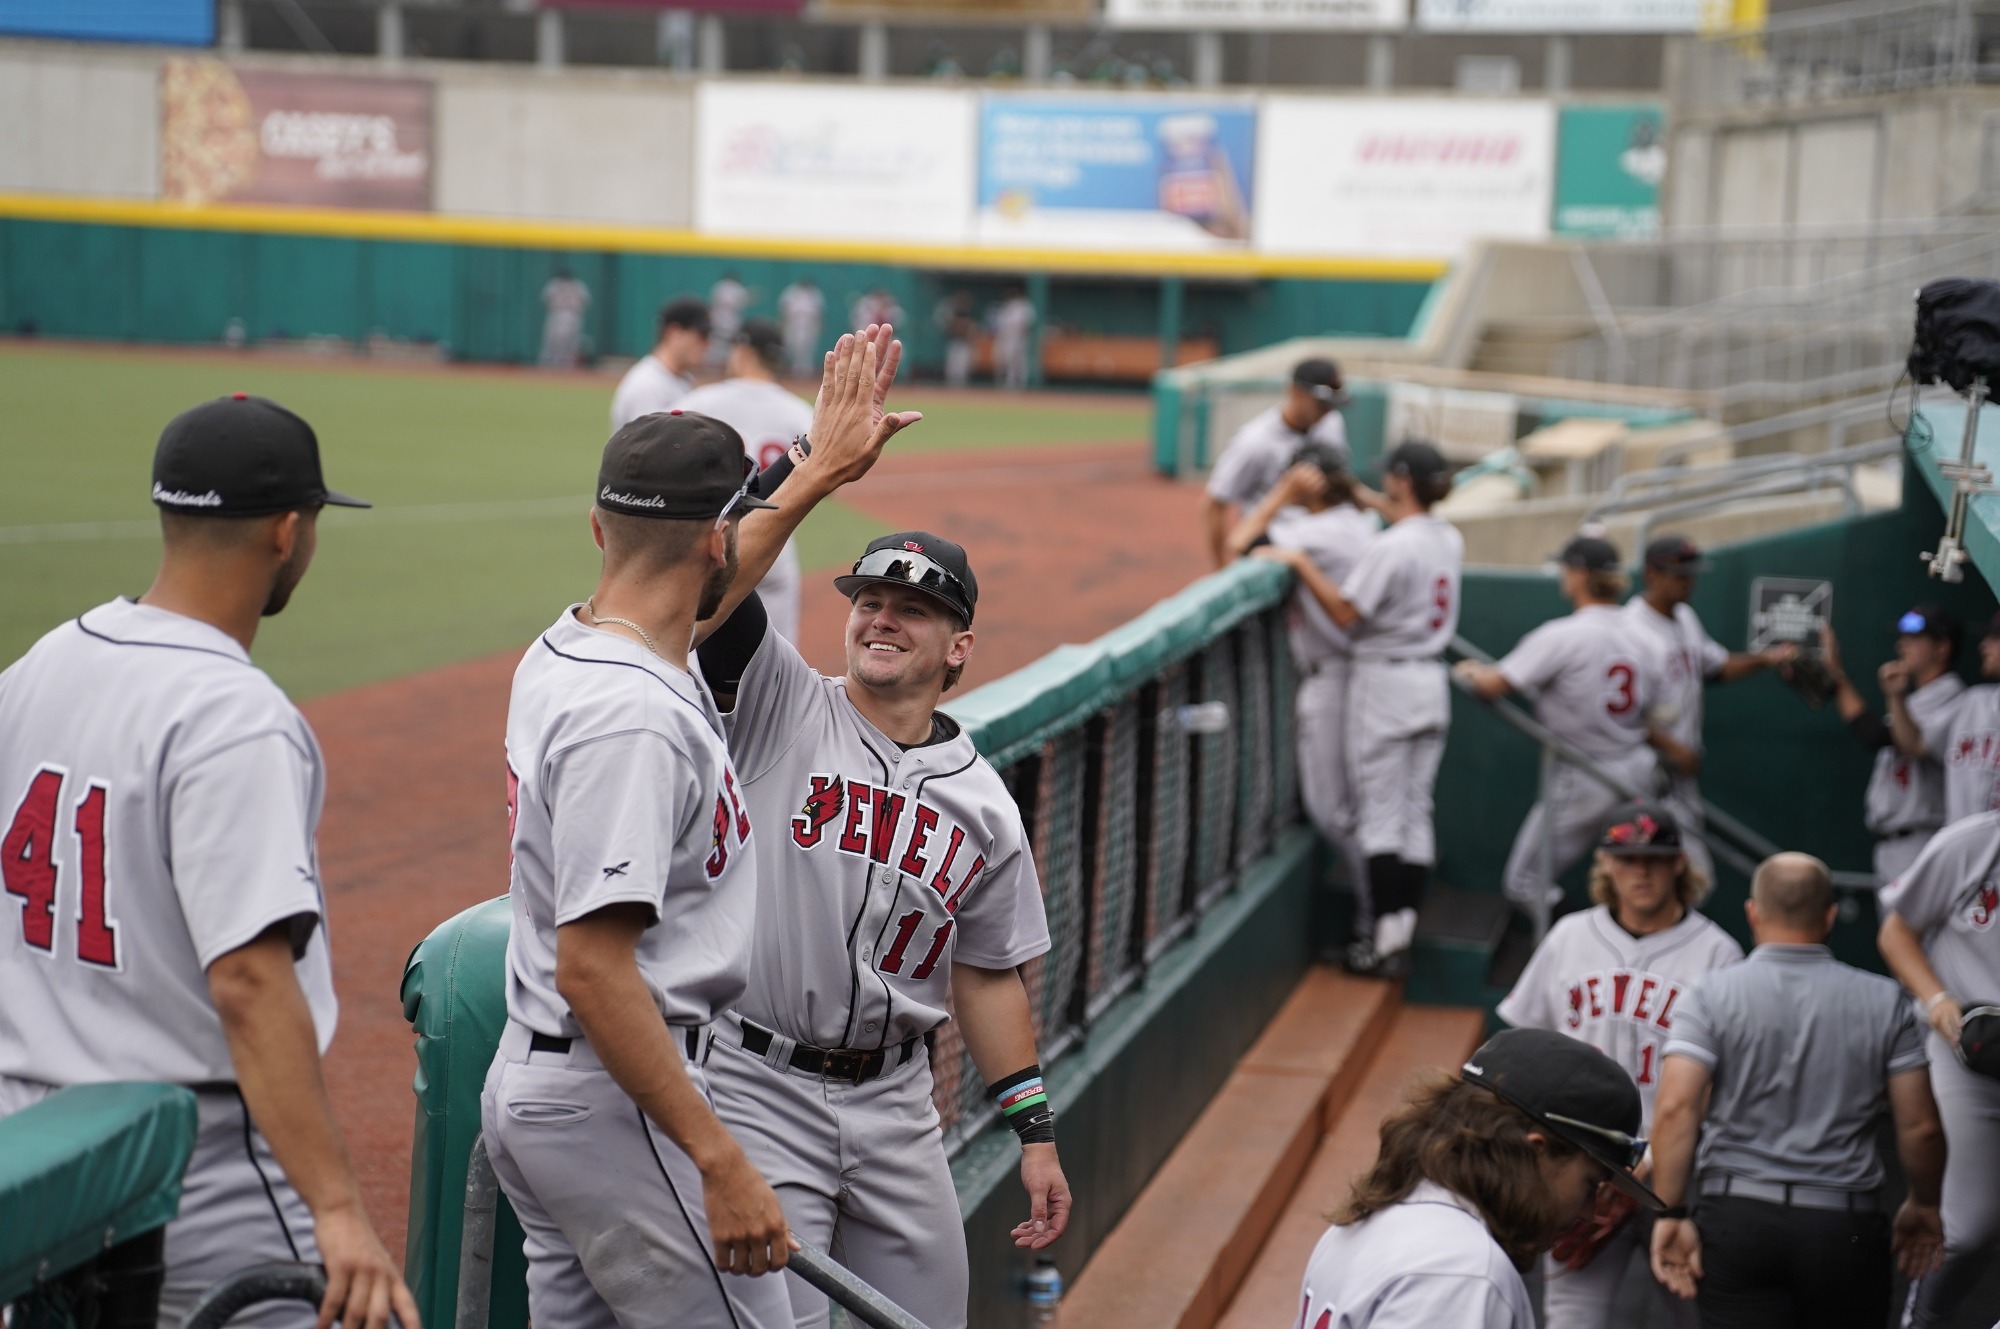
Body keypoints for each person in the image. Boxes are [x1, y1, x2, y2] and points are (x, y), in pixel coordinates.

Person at [482, 330, 915, 1329]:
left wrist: (814, 473)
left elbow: (701, 591)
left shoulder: (577, 645)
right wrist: (717, 1158)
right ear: (714, 538)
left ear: (599, 529)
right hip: (621, 1100)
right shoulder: (634, 713)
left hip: (555, 1090)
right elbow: (595, 968)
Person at [0, 394, 418, 1329]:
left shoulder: (38, 666)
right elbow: (246, 981)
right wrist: (340, 1210)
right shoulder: (236, 716)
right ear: (288, 530)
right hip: (192, 1164)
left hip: (33, 1152)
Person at [695, 483, 1072, 1322]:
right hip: (759, 1084)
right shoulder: (780, 704)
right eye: (870, 601)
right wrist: (810, 473)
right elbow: (708, 586)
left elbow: (985, 974)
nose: (882, 620)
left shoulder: (982, 802)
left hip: (898, 1105)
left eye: (913, 608)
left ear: (958, 645)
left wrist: (1036, 1133)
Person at [1647, 852, 1947, 1329]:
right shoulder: (1886, 1001)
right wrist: (1926, 1204)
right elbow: (1922, 1126)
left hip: (1736, 1220)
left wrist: (1672, 1211)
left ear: (1753, 912)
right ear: (1830, 916)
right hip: (1844, 1229)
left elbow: (1676, 1109)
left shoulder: (1708, 994)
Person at [1496, 801, 1742, 1329]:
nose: (1642, 871)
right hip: (1582, 1168)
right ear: (1606, 862)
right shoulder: (1569, 938)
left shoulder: (1719, 954)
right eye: (1628, 858)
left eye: (1655, 858)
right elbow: (1527, 1046)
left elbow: (1731, 1080)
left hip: (1681, 1174)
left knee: (1694, 1314)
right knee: (1569, 1317)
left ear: (1680, 864)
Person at [1297, 1026, 1662, 1329]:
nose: (1587, 1212)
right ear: (1536, 1151)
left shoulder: (1368, 1221)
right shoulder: (1461, 1272)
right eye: (1590, 1183)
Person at [1255, 439, 1461, 975]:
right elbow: (1403, 519)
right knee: (1417, 812)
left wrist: (1300, 561)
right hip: (1431, 681)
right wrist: (1369, 498)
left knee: (1381, 818)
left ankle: (1382, 939)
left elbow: (1347, 613)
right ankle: (1398, 932)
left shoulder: (1393, 546)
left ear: (1402, 480)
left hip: (1386, 684)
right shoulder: (1449, 537)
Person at [1457, 536, 1670, 919]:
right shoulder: (1647, 636)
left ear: (1580, 576)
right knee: (1638, 882)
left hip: (1586, 774)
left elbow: (1493, 685)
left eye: (1567, 569)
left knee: (1524, 882)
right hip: (1639, 772)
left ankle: (1577, 954)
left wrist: (1472, 671)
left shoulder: (1564, 634)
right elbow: (1656, 710)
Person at [1226, 443, 1379, 929]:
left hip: (1334, 679)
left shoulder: (1316, 532)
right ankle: (1382, 913)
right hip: (1362, 675)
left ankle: (1376, 917)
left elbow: (1238, 545)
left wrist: (1278, 495)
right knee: (1364, 806)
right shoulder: (1358, 522)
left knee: (1334, 810)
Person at [1876, 811, 2000, 1328]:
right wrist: (1937, 998)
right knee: (1967, 1228)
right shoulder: (1972, 843)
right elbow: (1896, 931)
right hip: (1967, 1053)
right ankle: (1920, 1321)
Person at [1619, 536, 1794, 882]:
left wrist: (1766, 659)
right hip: (1645, 771)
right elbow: (1625, 713)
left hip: (1677, 777)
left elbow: (1716, 666)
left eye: (1691, 573)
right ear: (1652, 574)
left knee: (1689, 878)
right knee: (1668, 876)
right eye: (1678, 573)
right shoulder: (1630, 629)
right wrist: (1675, 750)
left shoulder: (1684, 617)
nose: (1688, 580)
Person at [675, 320, 814, 642]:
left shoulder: (700, 402)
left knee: (692, 652)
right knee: (777, 665)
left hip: (709, 543)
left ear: (744, 351)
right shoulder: (799, 412)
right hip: (774, 546)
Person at [1817, 607, 1965, 888]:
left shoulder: (1954, 700)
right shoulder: (1919, 699)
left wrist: (1839, 677)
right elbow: (1874, 733)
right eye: (1902, 638)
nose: (1901, 645)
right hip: (1896, 845)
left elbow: (1895, 740)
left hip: (1922, 838)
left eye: (1915, 638)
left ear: (1942, 647)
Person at [1203, 357, 1353, 568]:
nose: (1328, 410)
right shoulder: (1256, 442)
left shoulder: (1331, 423)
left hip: (1318, 546)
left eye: (1332, 404)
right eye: (1321, 403)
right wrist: (1219, 569)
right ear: (1295, 391)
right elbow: (1215, 503)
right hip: (1270, 553)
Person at [1889, 609, 2000, 827]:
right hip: (1959, 843)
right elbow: (1914, 743)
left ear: (1942, 648)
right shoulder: (1972, 701)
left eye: (1996, 638)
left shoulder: (1955, 697)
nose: (1983, 646)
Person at [610, 296, 711, 430]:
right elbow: (648, 447)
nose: (707, 344)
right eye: (702, 335)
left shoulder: (683, 379)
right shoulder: (647, 384)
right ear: (674, 333)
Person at [540, 267, 590, 369]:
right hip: (560, 313)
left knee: (569, 342)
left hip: (569, 314)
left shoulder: (557, 284)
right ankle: (548, 365)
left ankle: (564, 365)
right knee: (553, 340)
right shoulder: (574, 285)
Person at [778, 277, 825, 379]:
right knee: (790, 346)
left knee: (807, 348)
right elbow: (783, 309)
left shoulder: (815, 293)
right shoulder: (791, 292)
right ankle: (790, 370)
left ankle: (804, 372)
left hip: (809, 324)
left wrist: (819, 325)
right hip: (793, 323)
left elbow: (819, 312)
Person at [991, 287, 1036, 392]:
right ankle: (1005, 383)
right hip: (1005, 337)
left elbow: (1027, 324)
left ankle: (1020, 384)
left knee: (1019, 362)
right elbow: (1000, 325)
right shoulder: (1006, 307)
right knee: (1003, 360)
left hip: (1019, 338)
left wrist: (1021, 335)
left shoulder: (1024, 305)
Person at [935, 289, 976, 388]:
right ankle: (951, 390)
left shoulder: (968, 316)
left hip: (964, 344)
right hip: (955, 342)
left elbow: (971, 332)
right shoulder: (954, 315)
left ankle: (961, 390)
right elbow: (951, 328)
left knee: (962, 371)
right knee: (952, 370)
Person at [708, 271, 749, 367]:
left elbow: (712, 305)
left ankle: (713, 370)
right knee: (729, 348)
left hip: (718, 321)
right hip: (731, 323)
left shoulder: (718, 287)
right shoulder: (738, 289)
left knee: (716, 347)